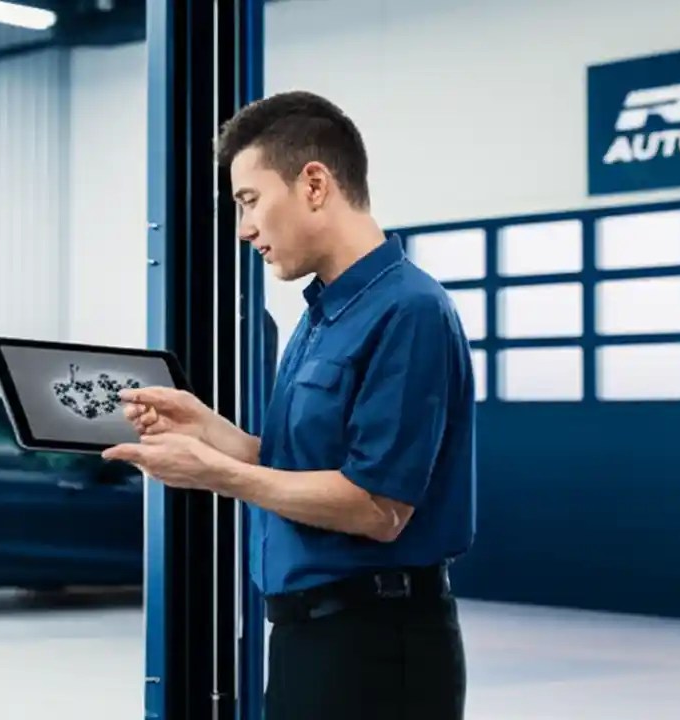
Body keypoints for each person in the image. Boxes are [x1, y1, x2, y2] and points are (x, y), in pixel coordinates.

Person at [103, 91, 475, 719]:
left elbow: (377, 507)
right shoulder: (322, 315)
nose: (244, 228)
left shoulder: (410, 310)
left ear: (314, 184)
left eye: (249, 201)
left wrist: (217, 475)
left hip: (377, 651)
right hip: (310, 639)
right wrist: (207, 428)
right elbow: (302, 465)